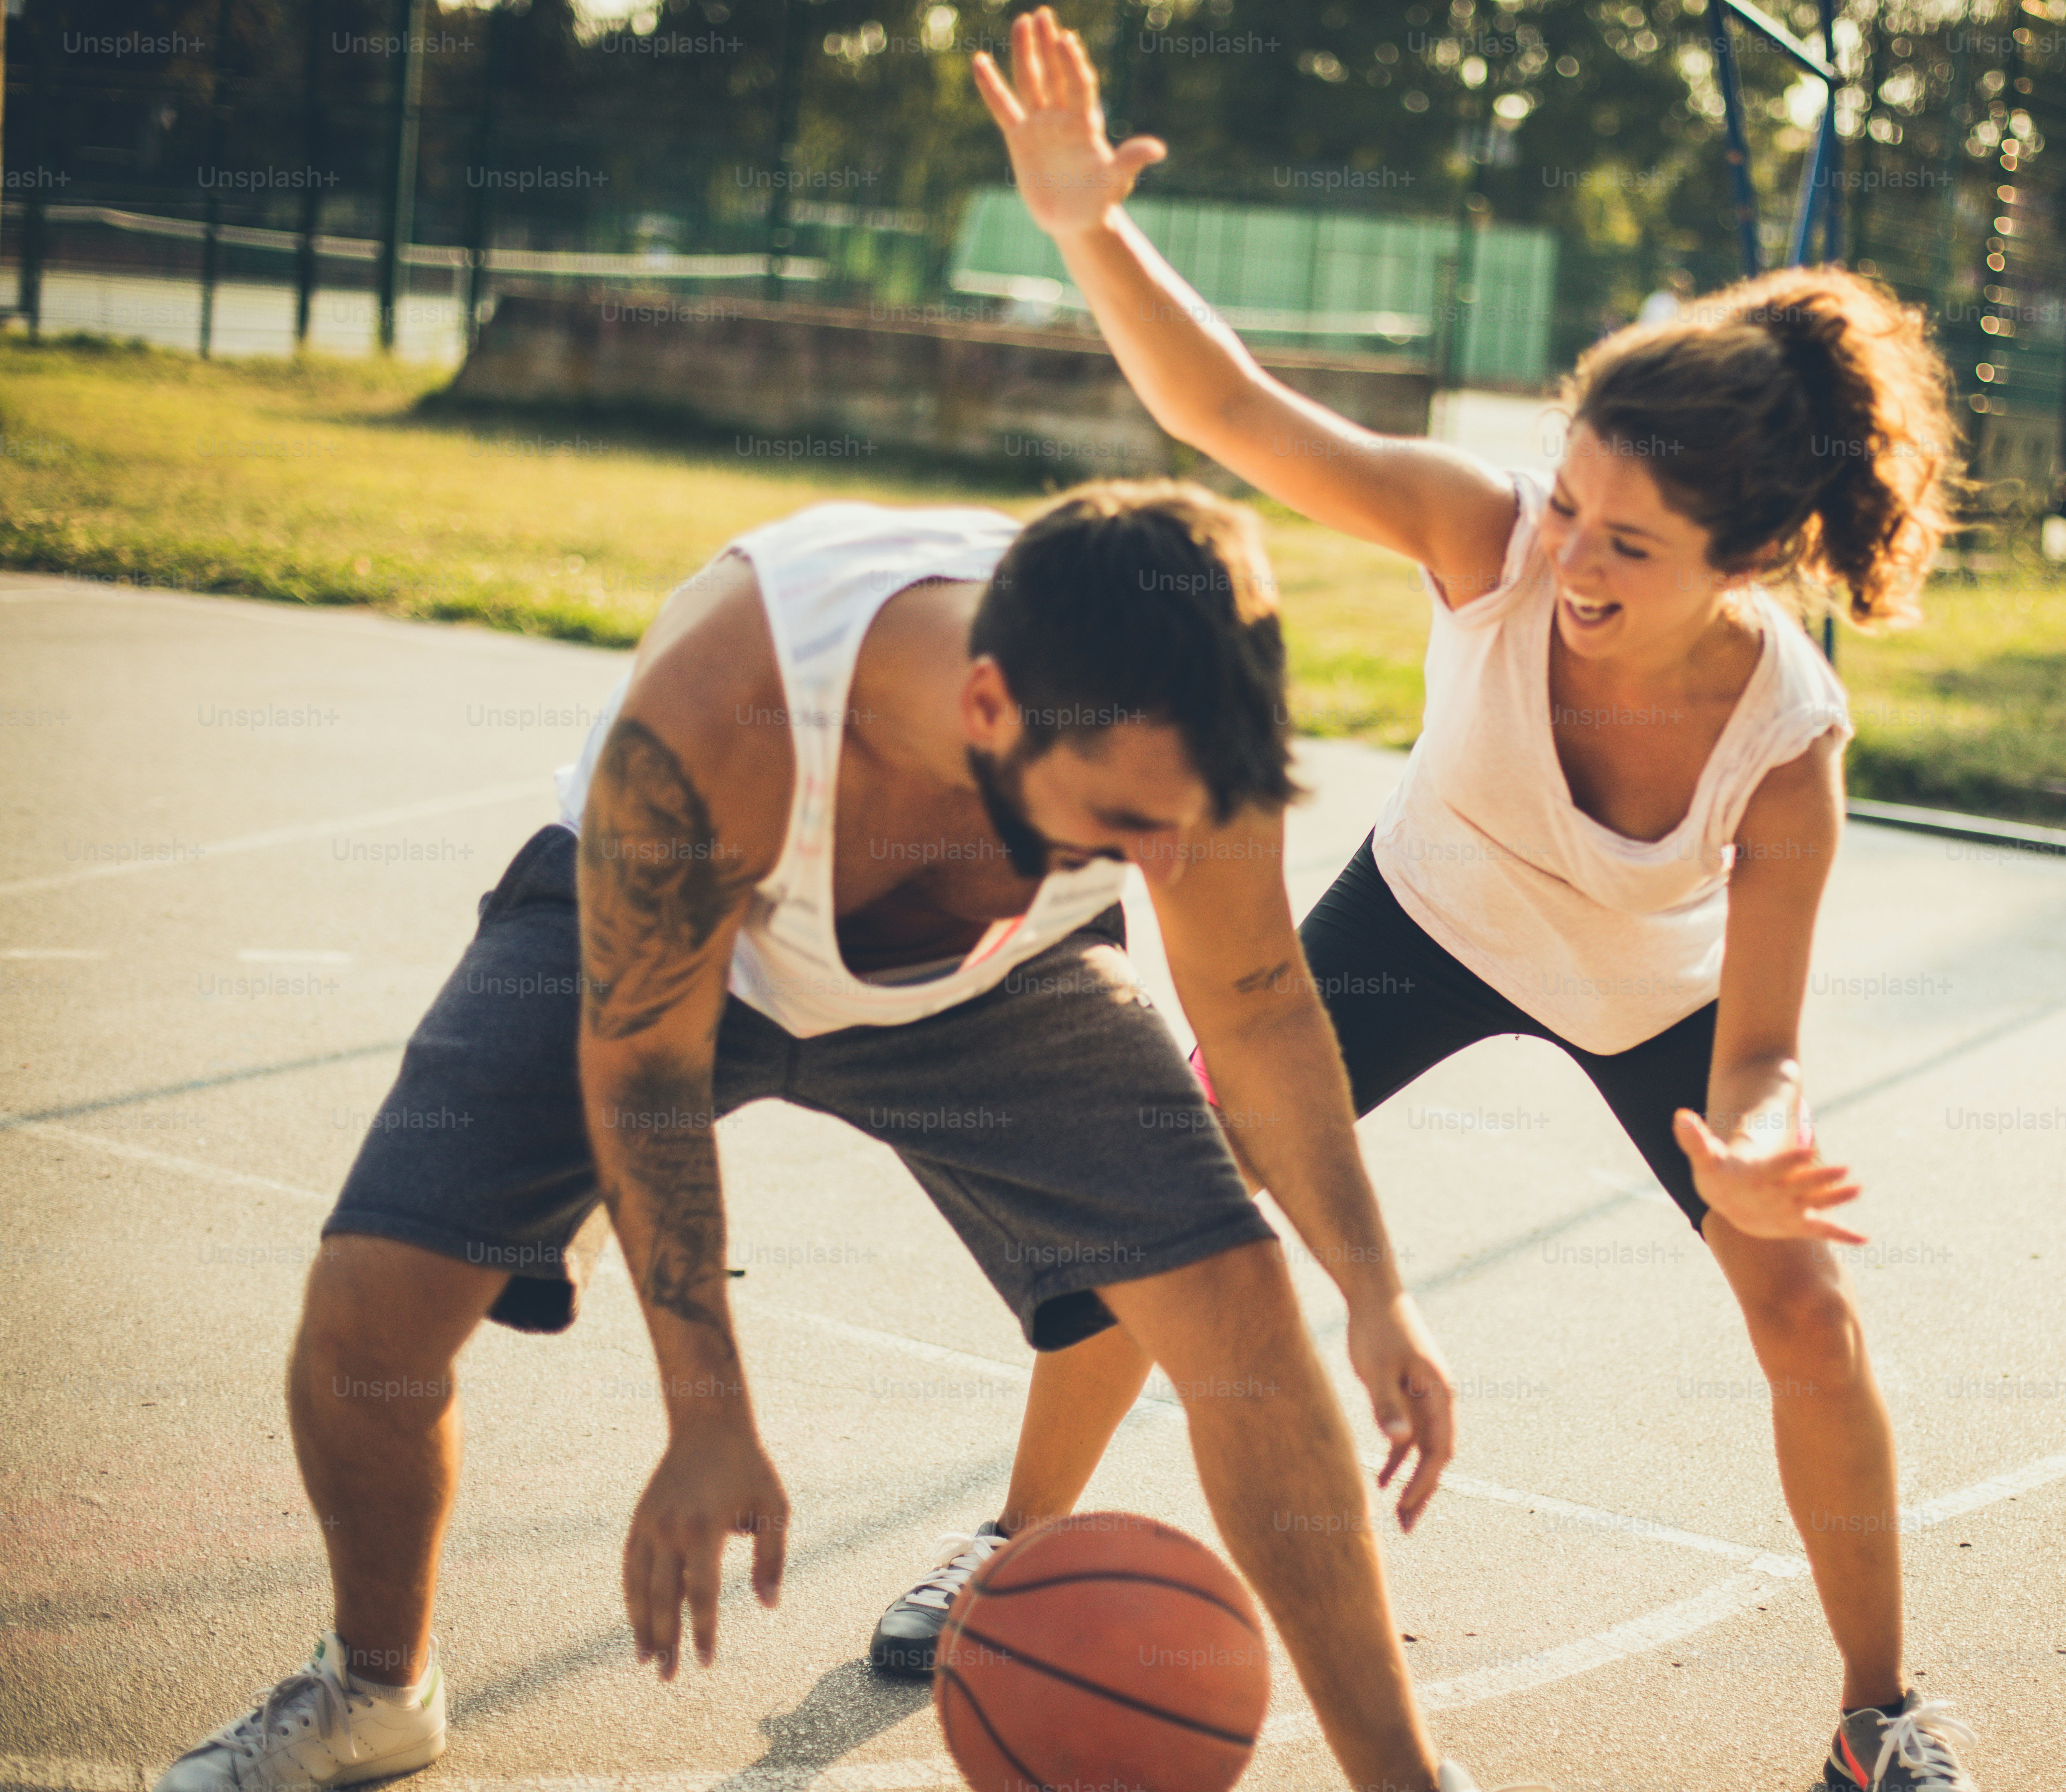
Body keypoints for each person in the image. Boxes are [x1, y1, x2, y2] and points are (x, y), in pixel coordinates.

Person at [917, 16, 1983, 1792]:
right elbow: (1232, 412)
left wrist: (1754, 1146)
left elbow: (1769, 1044)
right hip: (1419, 916)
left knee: (1802, 1303)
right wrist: (1087, 227)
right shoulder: (1486, 539)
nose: (1571, 558)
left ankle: (1878, 1716)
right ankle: (1013, 1546)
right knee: (1164, 1203)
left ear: (1750, 564)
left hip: (1650, 1002)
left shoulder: (1786, 743)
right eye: (1571, 503)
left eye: (1629, 547)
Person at [152, 480, 1506, 1792]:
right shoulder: (726, 704)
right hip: (680, 954)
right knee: (369, 1310)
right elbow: (645, 1067)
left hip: (991, 970)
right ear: (989, 707)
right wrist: (706, 1408)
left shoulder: (1186, 720)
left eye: (1181, 824)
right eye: (1124, 825)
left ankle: (1403, 1777)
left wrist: (1375, 1290)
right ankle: (374, 1694)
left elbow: (1261, 1008)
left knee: (1243, 1313)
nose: (1162, 859)